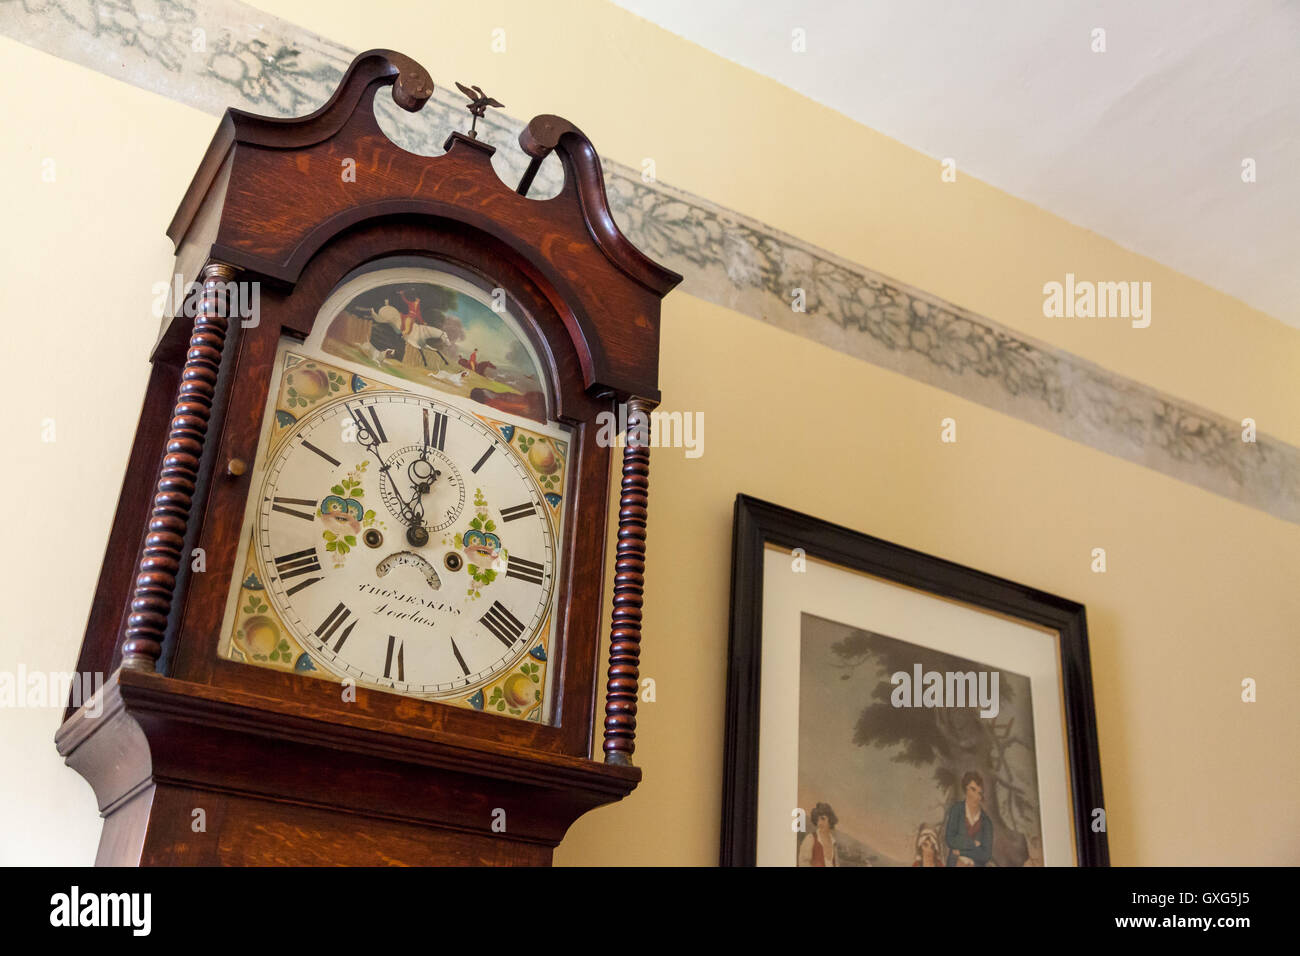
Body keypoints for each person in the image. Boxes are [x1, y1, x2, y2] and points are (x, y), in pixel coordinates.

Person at [944, 771, 993, 867]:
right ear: (966, 789)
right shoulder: (956, 810)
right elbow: (950, 839)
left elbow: (986, 855)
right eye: (973, 789)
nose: (976, 796)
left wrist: (961, 852)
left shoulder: (986, 822)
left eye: (979, 793)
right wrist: (973, 844)